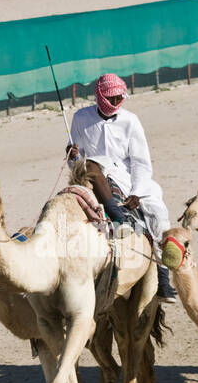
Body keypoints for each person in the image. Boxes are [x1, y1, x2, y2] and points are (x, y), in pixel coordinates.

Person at [66, 74, 176, 300]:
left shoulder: (130, 120)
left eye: (119, 98)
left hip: (127, 176)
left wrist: (136, 191)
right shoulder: (80, 118)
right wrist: (73, 156)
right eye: (112, 99)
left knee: (158, 212)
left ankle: (163, 276)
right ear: (101, 97)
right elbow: (74, 160)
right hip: (91, 173)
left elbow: (141, 161)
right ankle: (117, 217)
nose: (116, 103)